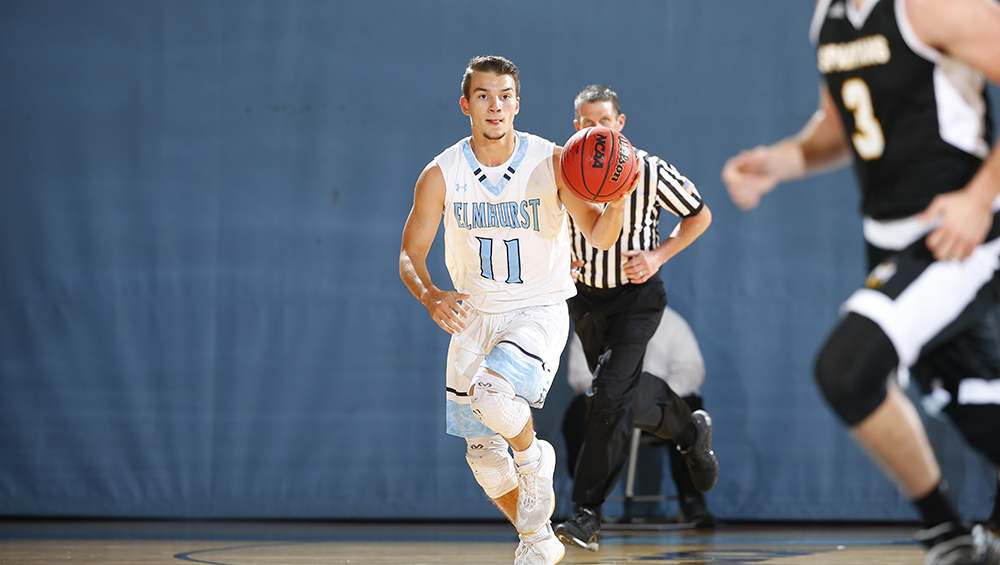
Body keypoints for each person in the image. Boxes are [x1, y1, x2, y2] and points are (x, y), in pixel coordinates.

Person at [721, 0, 1000, 563]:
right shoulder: (829, 16)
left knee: (847, 370)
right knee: (974, 405)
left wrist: (979, 196)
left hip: (959, 237)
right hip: (891, 241)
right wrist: (781, 161)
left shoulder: (931, 7)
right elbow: (843, 122)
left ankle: (947, 533)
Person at [399, 56, 638, 565]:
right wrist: (431, 295)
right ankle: (537, 542)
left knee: (492, 394)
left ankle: (535, 457)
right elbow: (409, 254)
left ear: (517, 103)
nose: (495, 105)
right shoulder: (441, 173)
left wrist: (615, 202)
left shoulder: (552, 160)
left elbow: (598, 235)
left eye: (505, 95)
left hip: (537, 307)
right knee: (483, 455)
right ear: (466, 104)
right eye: (484, 95)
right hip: (473, 315)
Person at [553, 84, 717, 553]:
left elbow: (700, 215)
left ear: (619, 124)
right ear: (576, 126)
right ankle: (689, 429)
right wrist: (559, 260)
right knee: (618, 396)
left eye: (603, 121)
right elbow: (548, 227)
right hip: (585, 299)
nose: (594, 130)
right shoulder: (564, 169)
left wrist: (659, 256)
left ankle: (586, 514)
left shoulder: (649, 169)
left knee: (606, 396)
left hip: (636, 297)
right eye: (586, 123)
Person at [562, 304, 717, 528]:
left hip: (657, 404)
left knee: (690, 408)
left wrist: (654, 395)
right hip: (610, 405)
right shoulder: (593, 323)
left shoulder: (671, 322)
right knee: (578, 413)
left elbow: (691, 369)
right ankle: (587, 508)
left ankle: (692, 501)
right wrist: (615, 394)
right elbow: (579, 374)